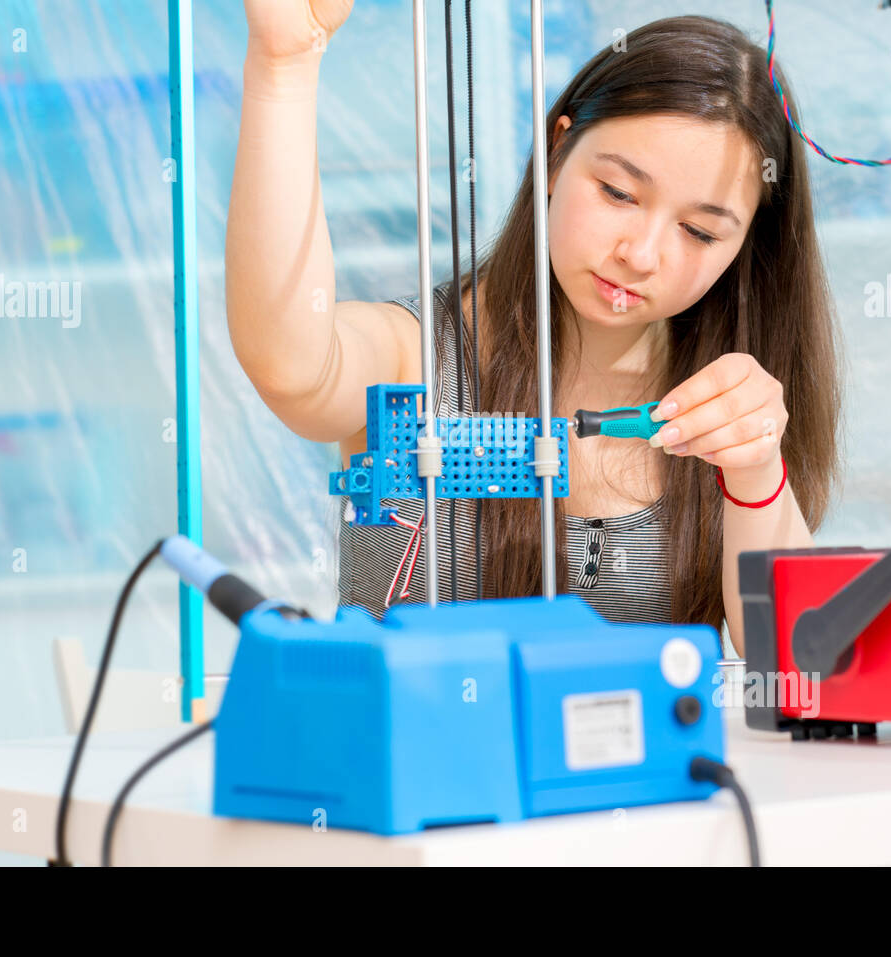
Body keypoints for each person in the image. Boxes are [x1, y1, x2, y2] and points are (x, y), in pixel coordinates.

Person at [225, 1, 845, 655]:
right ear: (557, 153)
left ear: (745, 246)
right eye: (618, 192)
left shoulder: (731, 404)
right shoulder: (412, 355)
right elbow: (292, 364)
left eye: (698, 231)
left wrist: (754, 472)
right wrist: (284, 66)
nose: (641, 253)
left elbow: (789, 661)